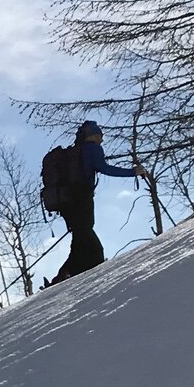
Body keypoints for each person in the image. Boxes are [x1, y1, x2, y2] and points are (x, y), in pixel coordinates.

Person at [45, 119, 150, 286]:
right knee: (90, 243)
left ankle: (63, 277)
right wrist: (133, 172)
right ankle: (90, 274)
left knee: (80, 239)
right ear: (93, 135)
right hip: (81, 199)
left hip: (65, 201)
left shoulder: (75, 153)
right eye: (100, 135)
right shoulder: (92, 149)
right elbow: (105, 168)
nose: (102, 139)